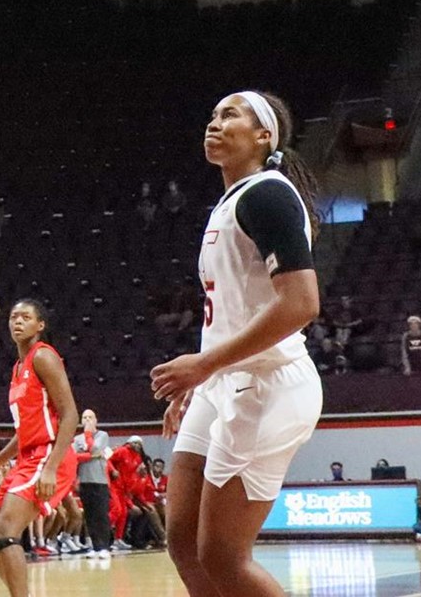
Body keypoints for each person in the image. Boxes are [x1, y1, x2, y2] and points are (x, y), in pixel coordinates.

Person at [151, 92, 321, 597]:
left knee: (223, 558)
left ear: (264, 136)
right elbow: (231, 312)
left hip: (269, 384)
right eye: (212, 115)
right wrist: (202, 378)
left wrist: (204, 365)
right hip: (225, 380)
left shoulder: (267, 195)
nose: (214, 123)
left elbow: (301, 303)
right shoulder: (232, 201)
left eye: (230, 115)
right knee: (182, 542)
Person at [0, 299, 79, 597]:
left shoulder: (43, 357)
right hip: (27, 457)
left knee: (6, 534)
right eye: (13, 317)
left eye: (26, 317)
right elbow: (23, 433)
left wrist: (50, 468)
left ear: (40, 325)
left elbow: (70, 414)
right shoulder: (17, 368)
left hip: (48, 455)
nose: (17, 321)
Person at [72, 409, 115, 559]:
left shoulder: (102, 435)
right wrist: (92, 455)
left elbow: (96, 448)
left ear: (96, 420)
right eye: (84, 417)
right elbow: (74, 457)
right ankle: (95, 546)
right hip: (84, 480)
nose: (87, 420)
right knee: (89, 515)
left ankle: (104, 546)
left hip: (100, 481)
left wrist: (89, 437)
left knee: (101, 514)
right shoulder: (77, 439)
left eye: (90, 417)